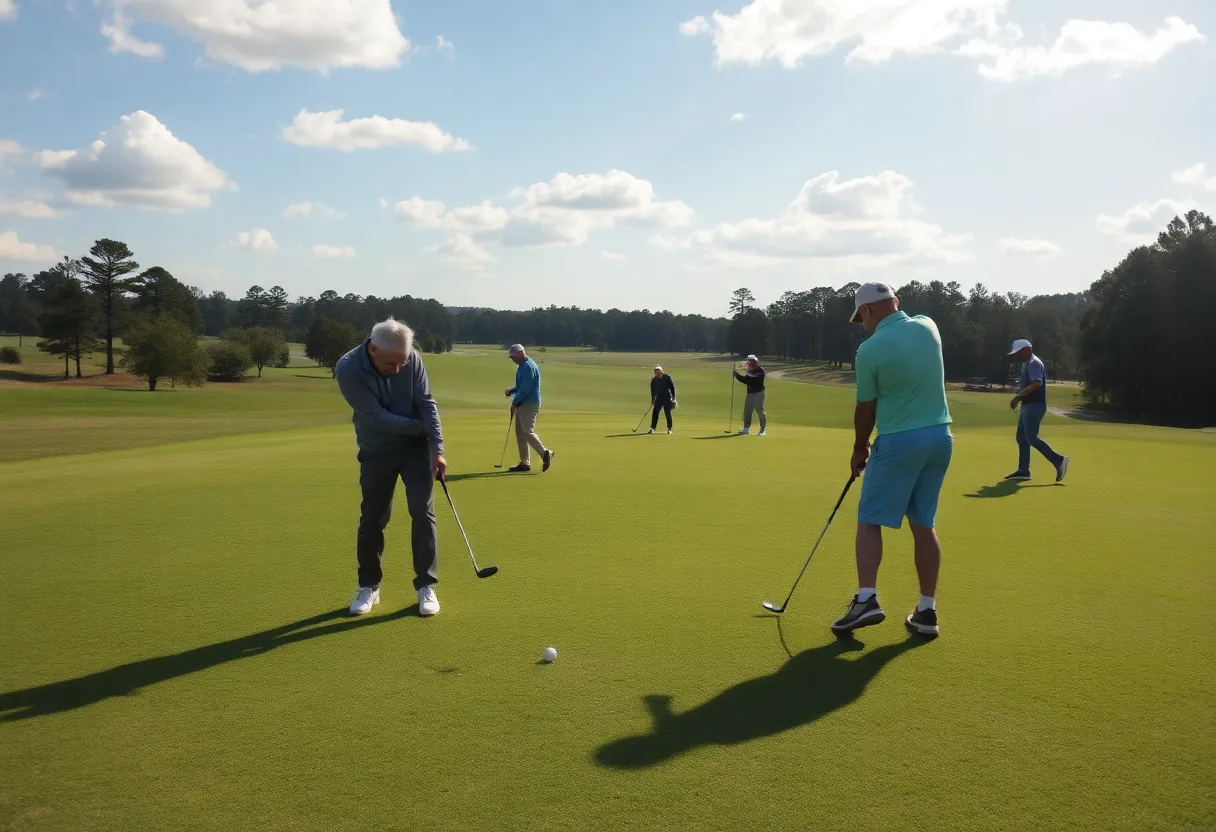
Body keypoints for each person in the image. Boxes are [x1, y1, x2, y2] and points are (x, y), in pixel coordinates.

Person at [831, 282, 953, 638]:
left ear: (867, 310)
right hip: (940, 438)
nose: (863, 324)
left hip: (900, 440)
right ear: (895, 302)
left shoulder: (870, 349)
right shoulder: (929, 326)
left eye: (862, 317)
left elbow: (865, 407)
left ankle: (867, 599)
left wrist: (859, 448)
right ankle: (926, 611)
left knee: (869, 519)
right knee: (923, 523)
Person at [335, 318, 445, 618]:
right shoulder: (347, 368)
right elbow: (376, 417)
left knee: (422, 512)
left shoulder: (412, 359)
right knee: (373, 518)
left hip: (415, 450)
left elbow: (426, 402)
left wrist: (437, 449)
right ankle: (369, 586)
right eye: (392, 364)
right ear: (373, 349)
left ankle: (426, 586)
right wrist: (420, 429)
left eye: (403, 362)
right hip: (376, 449)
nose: (398, 369)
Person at [1005, 339, 1069, 483]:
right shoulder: (1027, 363)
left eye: (1019, 352)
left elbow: (1036, 383)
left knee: (1031, 437)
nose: (1017, 356)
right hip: (1028, 405)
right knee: (1022, 438)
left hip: (1035, 405)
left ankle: (1059, 461)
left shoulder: (1033, 363)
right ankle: (1023, 470)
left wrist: (1018, 397)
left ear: (1028, 349)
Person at [504, 343, 554, 473]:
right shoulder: (522, 366)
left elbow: (526, 389)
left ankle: (545, 453)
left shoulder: (527, 366)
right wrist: (512, 391)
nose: (513, 359)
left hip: (529, 403)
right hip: (524, 402)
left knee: (527, 432)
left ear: (521, 353)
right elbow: (521, 387)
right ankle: (525, 463)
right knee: (520, 433)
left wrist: (514, 403)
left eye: (514, 356)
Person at [733, 354, 767, 435]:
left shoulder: (760, 371)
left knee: (759, 410)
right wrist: (737, 375)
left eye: (749, 361)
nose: (747, 363)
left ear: (754, 362)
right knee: (747, 411)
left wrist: (738, 376)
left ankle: (762, 429)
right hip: (750, 393)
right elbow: (746, 380)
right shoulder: (749, 370)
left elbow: (751, 382)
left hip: (759, 392)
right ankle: (746, 428)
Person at [648, 365, 677, 434]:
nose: (657, 374)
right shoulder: (654, 380)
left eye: (658, 372)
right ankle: (652, 428)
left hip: (667, 397)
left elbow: (672, 387)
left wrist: (673, 397)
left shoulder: (667, 377)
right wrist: (653, 399)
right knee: (655, 412)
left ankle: (669, 429)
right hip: (658, 398)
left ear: (661, 371)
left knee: (667, 413)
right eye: (655, 372)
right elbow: (653, 390)